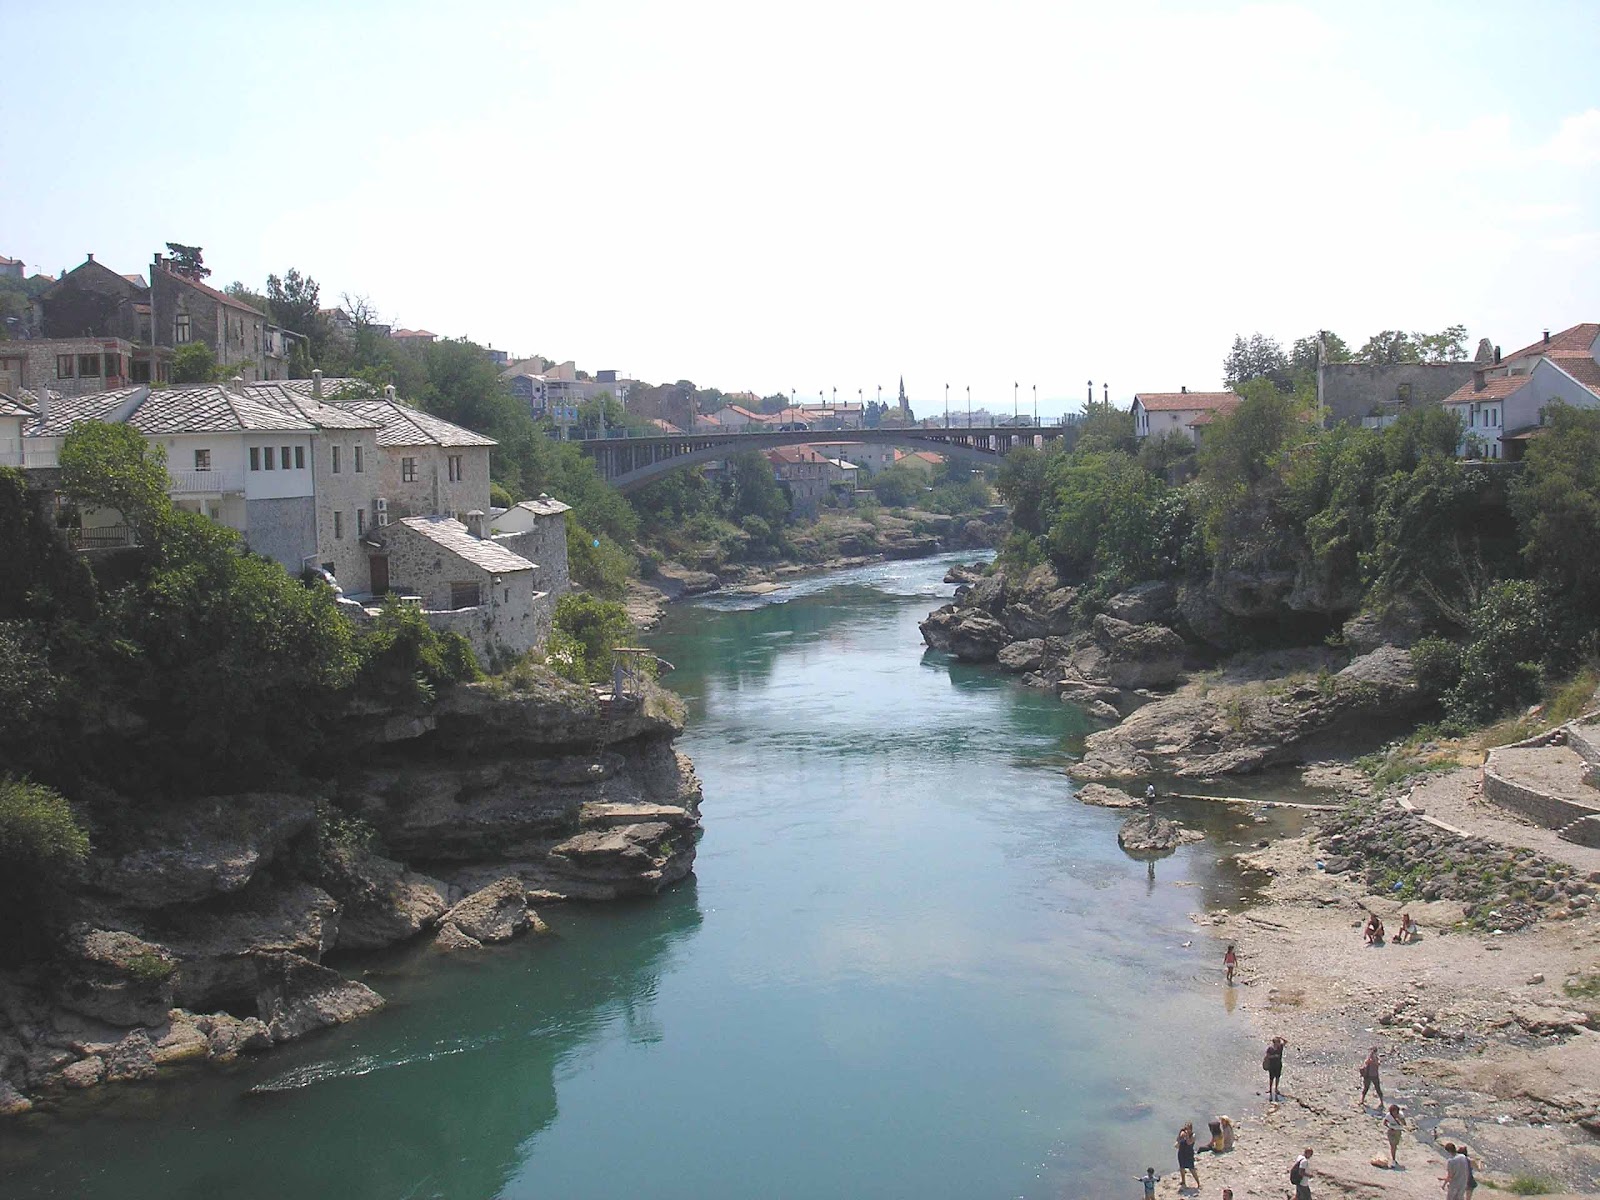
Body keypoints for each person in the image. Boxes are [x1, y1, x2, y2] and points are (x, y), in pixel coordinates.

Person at [1176, 1122, 1200, 1189]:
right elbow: (1178, 1140)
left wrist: (1186, 1136)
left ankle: (1198, 1182)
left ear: (1191, 1129)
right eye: (1186, 1128)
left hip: (1189, 1153)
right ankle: (1183, 1181)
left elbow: (1189, 1143)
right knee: (1182, 1168)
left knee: (1191, 1168)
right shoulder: (1182, 1133)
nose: (1186, 1130)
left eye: (1188, 1128)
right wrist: (1180, 1135)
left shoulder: (1193, 1135)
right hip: (1181, 1152)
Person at [1264, 1036, 1287, 1101]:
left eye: (1279, 1042)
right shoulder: (1270, 1048)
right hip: (1272, 1065)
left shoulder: (1280, 1047)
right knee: (1271, 1078)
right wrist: (1274, 1056)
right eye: (1278, 1042)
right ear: (1274, 1043)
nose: (1279, 1043)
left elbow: (1286, 1042)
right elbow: (1267, 1056)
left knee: (1277, 1077)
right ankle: (1270, 1089)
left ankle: (1276, 1089)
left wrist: (1281, 1037)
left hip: (1278, 1065)